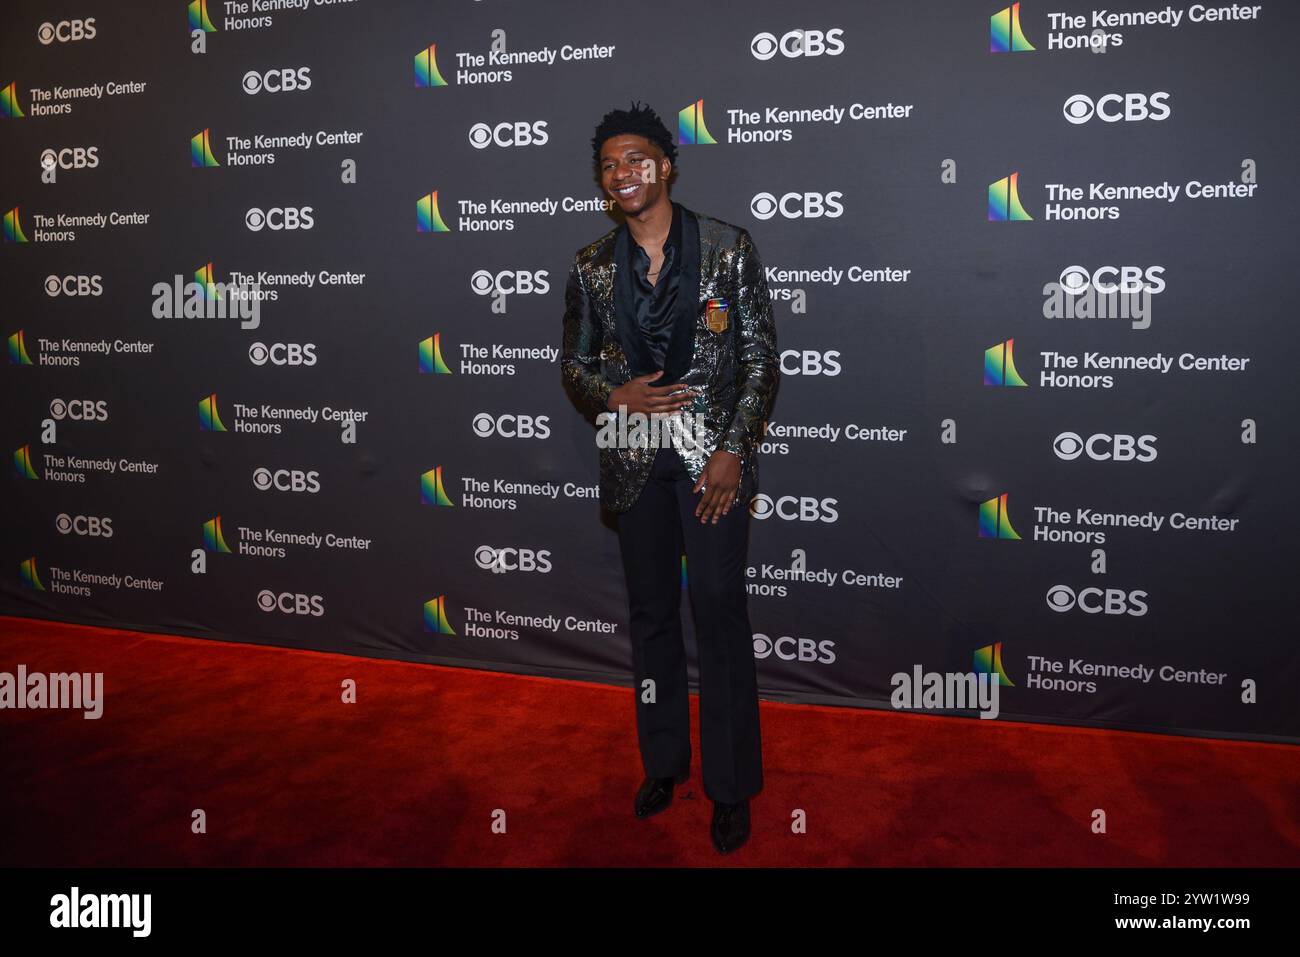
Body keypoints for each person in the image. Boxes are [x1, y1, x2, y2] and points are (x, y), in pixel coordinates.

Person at [560, 100, 780, 853]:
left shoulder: (725, 246)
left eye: (636, 159)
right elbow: (576, 364)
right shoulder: (591, 266)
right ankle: (662, 762)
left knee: (718, 613)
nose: (623, 172)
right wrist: (610, 394)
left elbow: (759, 362)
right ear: (603, 181)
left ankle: (730, 785)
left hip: (709, 466)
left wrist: (733, 450)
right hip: (632, 462)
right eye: (610, 164)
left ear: (666, 166)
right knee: (652, 618)